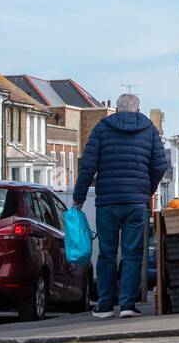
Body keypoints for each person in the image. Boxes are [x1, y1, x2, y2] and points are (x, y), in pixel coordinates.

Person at [73, 94, 170, 318]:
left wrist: (79, 197)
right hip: (136, 202)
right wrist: (148, 188)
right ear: (138, 109)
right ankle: (127, 305)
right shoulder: (149, 129)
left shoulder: (101, 129)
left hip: (107, 202)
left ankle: (105, 305)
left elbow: (88, 166)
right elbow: (160, 165)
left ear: (116, 110)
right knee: (132, 253)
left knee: (107, 254)